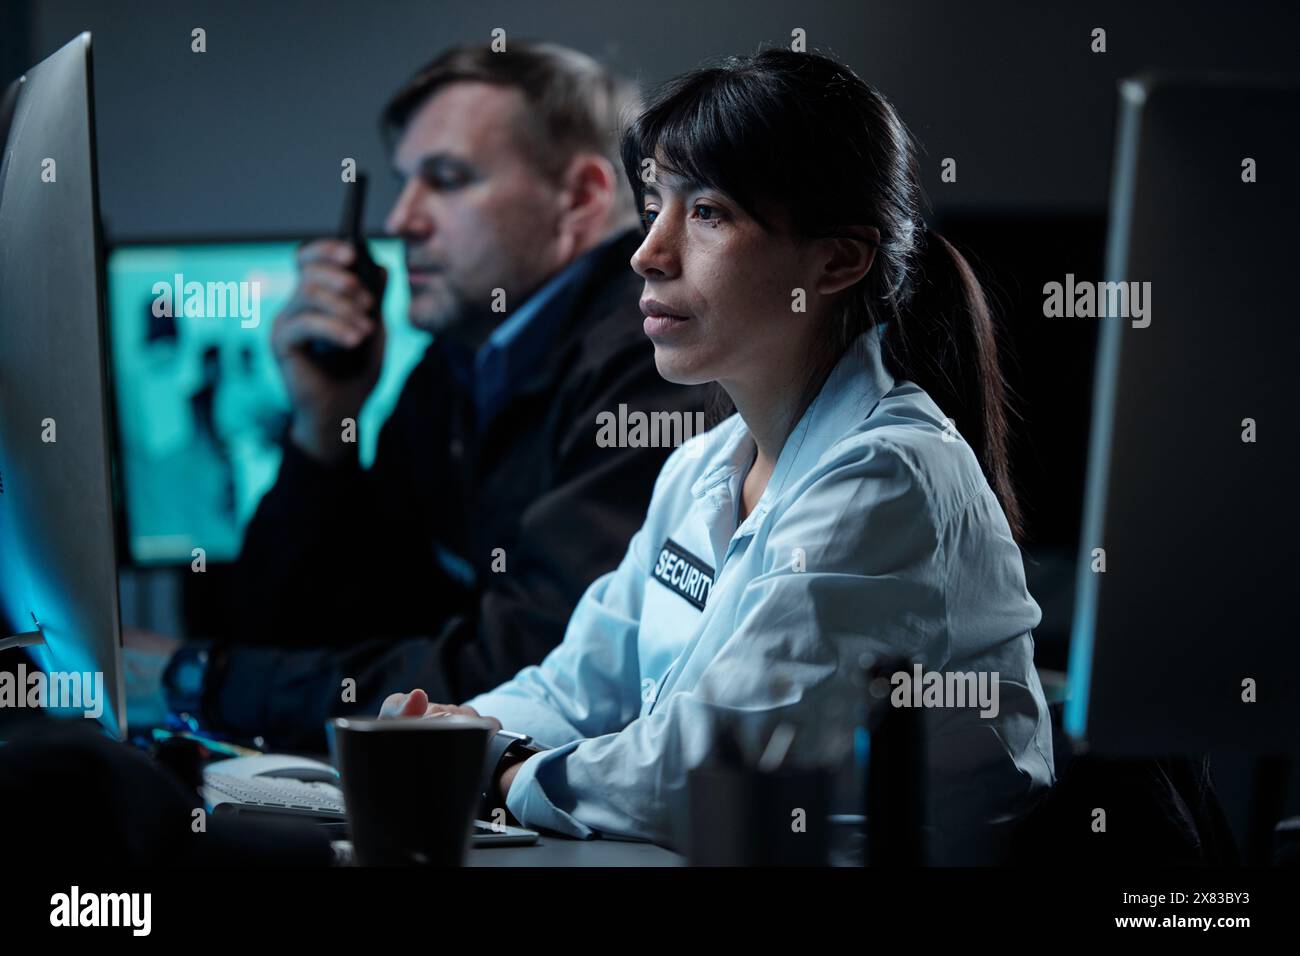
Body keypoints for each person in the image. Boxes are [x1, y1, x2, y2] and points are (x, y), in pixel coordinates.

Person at [380, 47, 1056, 865]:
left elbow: (709, 767)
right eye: (655, 203)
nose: (648, 252)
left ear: (837, 260)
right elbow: (577, 688)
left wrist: (504, 771)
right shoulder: (699, 471)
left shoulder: (890, 476)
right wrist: (446, 736)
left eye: (708, 213)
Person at [127, 42, 706, 750]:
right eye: (404, 183)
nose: (401, 220)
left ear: (581, 197)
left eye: (447, 178)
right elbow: (304, 630)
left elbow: (523, 679)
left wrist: (201, 681)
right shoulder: (457, 364)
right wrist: (324, 426)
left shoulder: (653, 364)